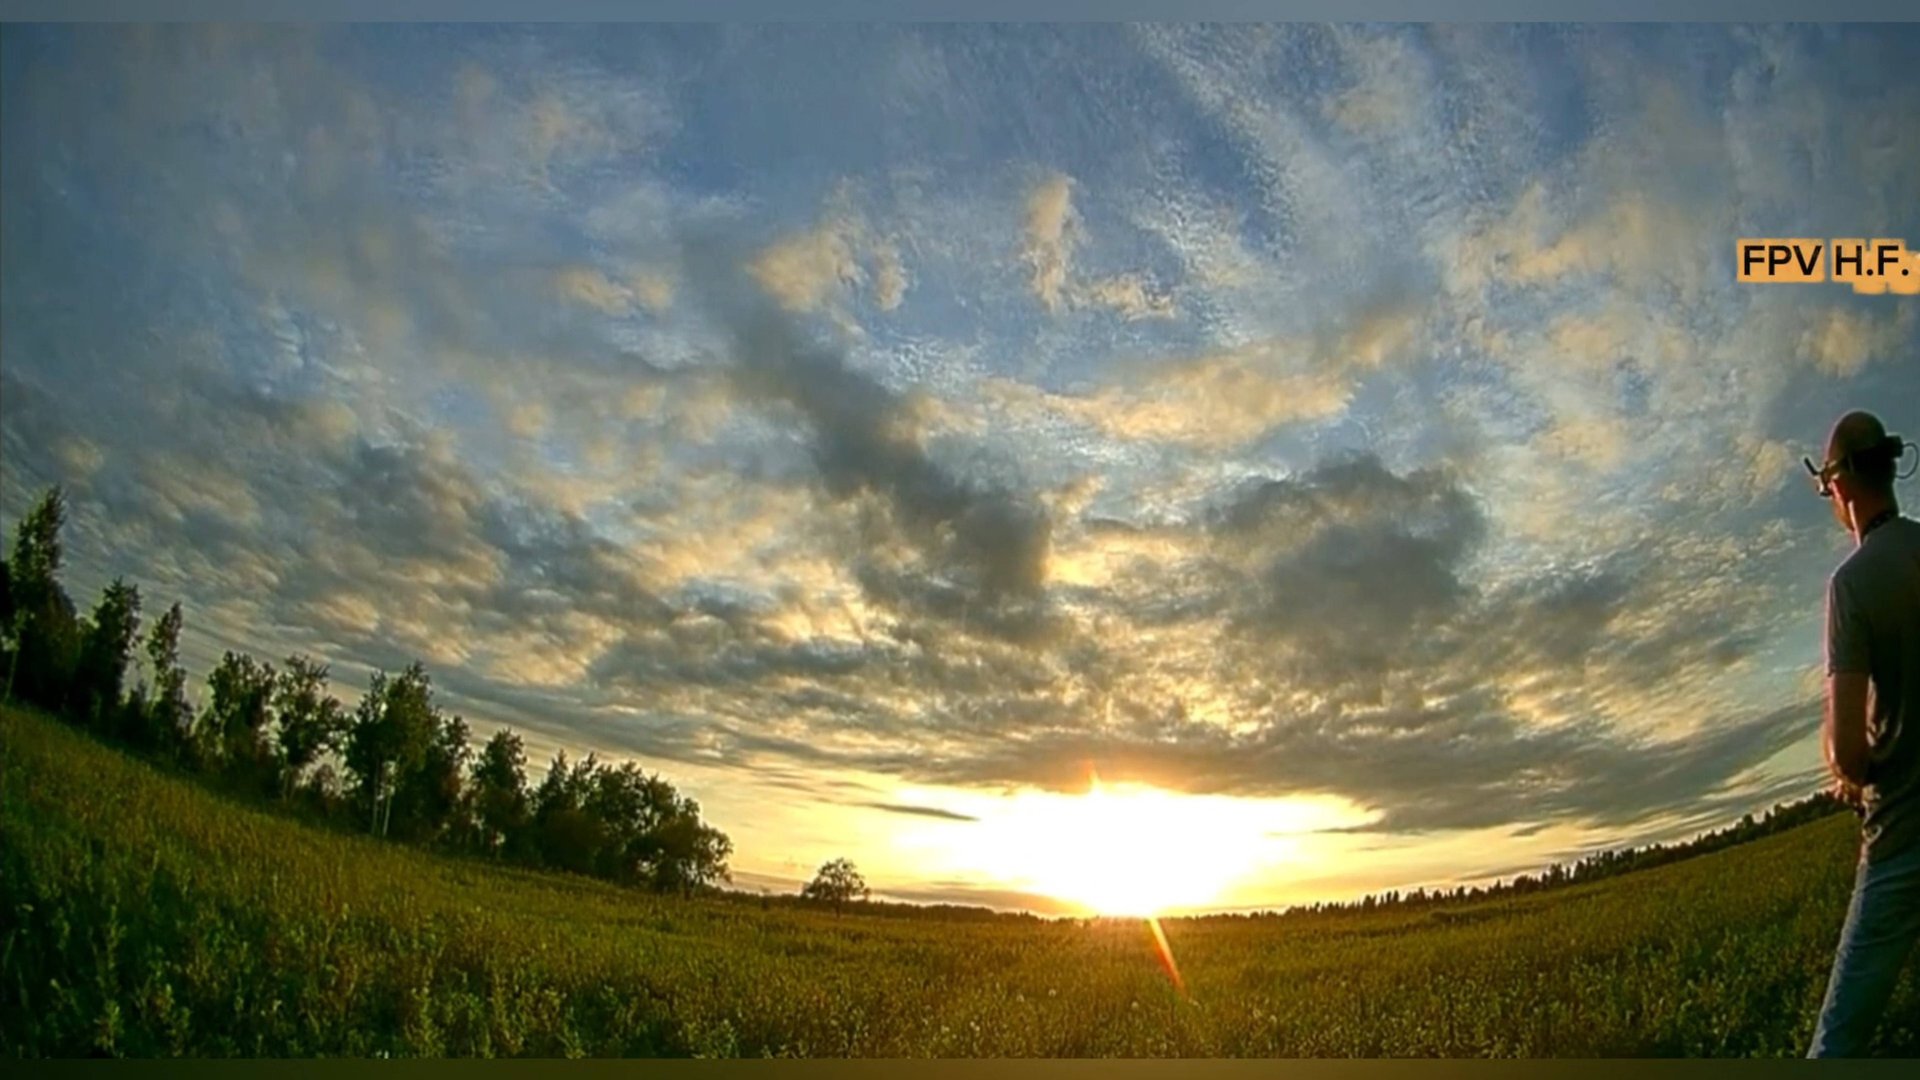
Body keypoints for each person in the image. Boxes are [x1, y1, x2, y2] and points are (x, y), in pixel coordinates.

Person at [1804, 410, 1920, 1058]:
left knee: (1836, 1045)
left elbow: (1848, 751)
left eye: (1825, 485)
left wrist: (1845, 762)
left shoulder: (1851, 585)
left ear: (1842, 483)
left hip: (1902, 839)